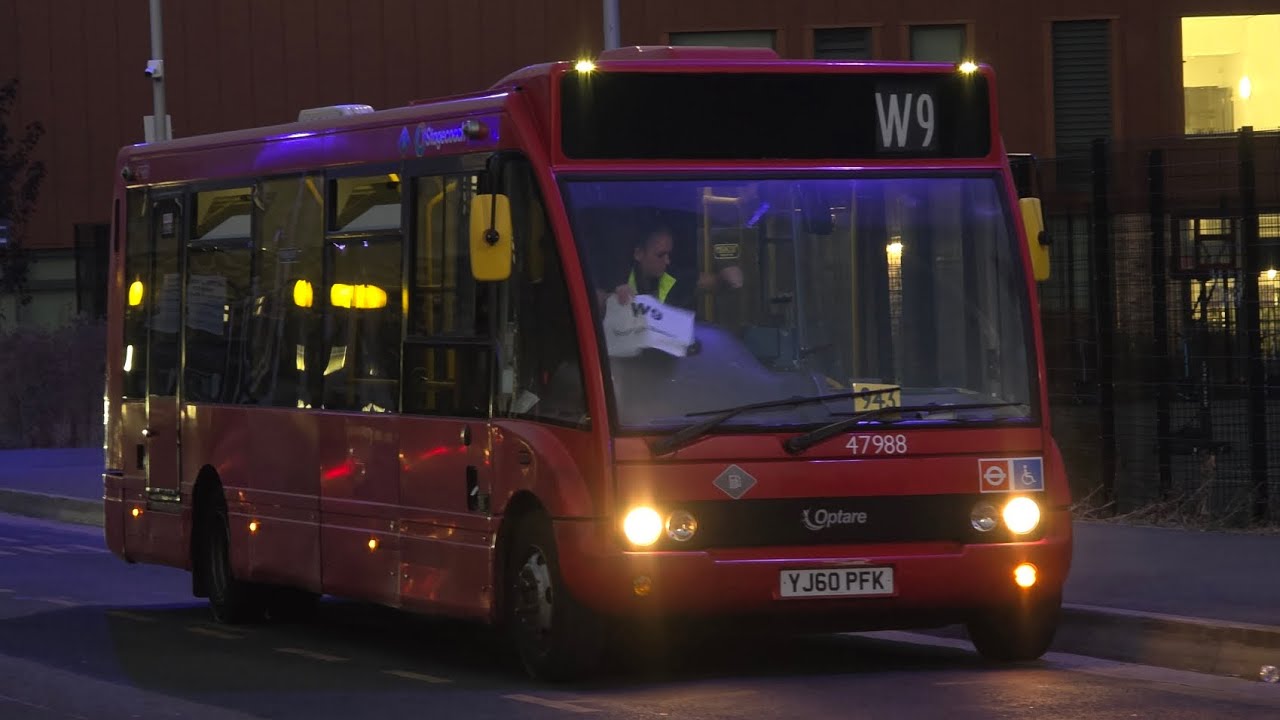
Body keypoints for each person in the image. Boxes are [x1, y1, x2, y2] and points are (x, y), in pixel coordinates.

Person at [601, 225, 743, 310]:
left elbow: (714, 282)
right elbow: (589, 301)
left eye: (669, 254)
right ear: (639, 253)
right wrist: (610, 299)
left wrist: (727, 276)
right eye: (660, 255)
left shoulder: (675, 277)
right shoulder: (617, 277)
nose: (667, 261)